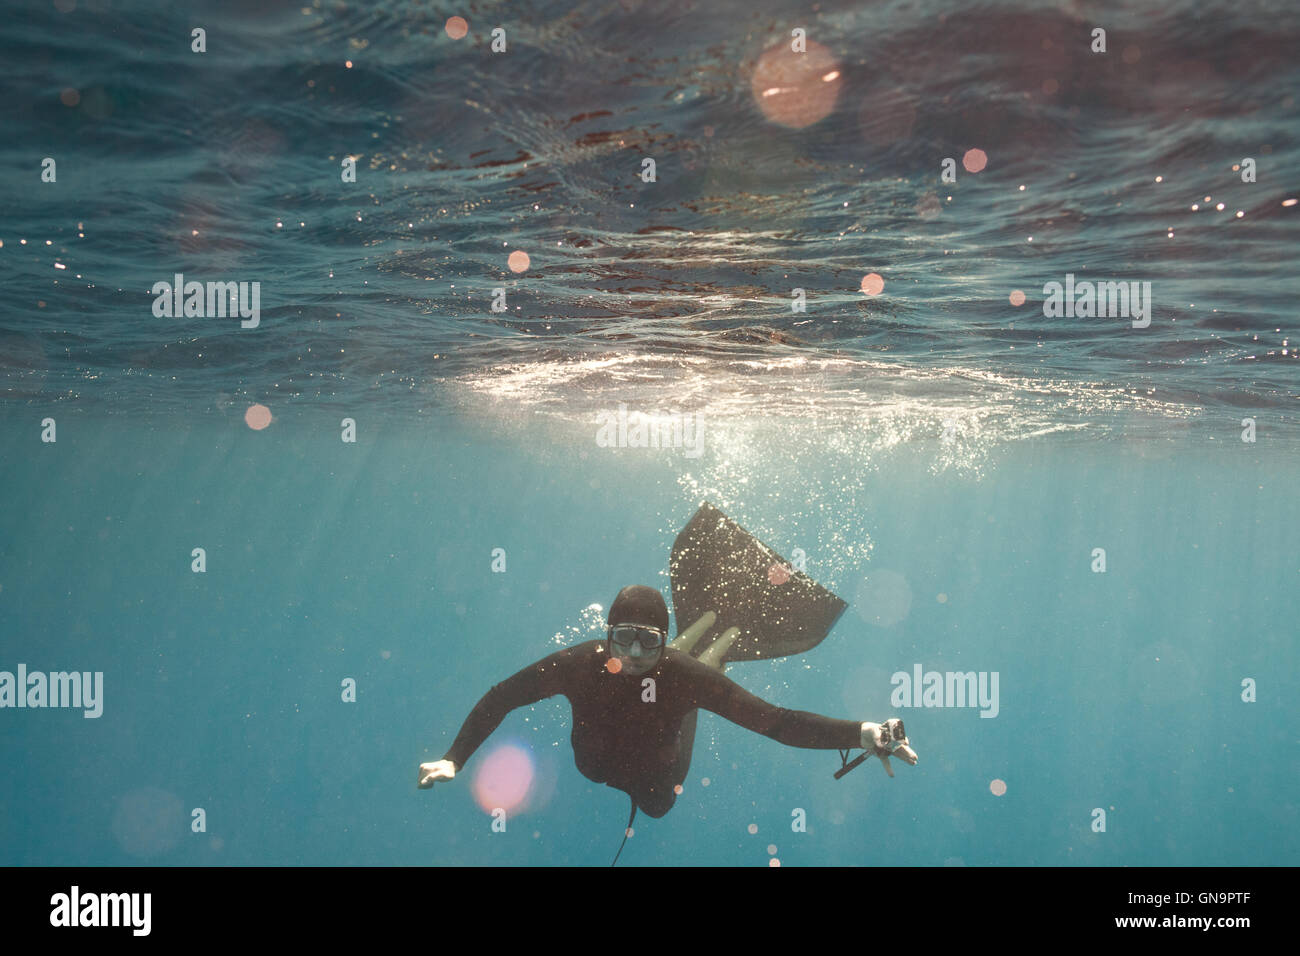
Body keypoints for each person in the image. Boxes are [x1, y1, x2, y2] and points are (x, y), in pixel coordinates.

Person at [418, 585, 918, 822]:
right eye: (625, 638)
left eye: (649, 641)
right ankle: (709, 644)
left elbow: (775, 723)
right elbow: (502, 697)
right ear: (606, 635)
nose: (634, 654)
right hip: (604, 761)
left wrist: (864, 732)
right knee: (679, 694)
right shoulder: (579, 663)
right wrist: (453, 757)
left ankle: (712, 650)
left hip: (655, 772)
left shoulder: (675, 675)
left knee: (660, 796)